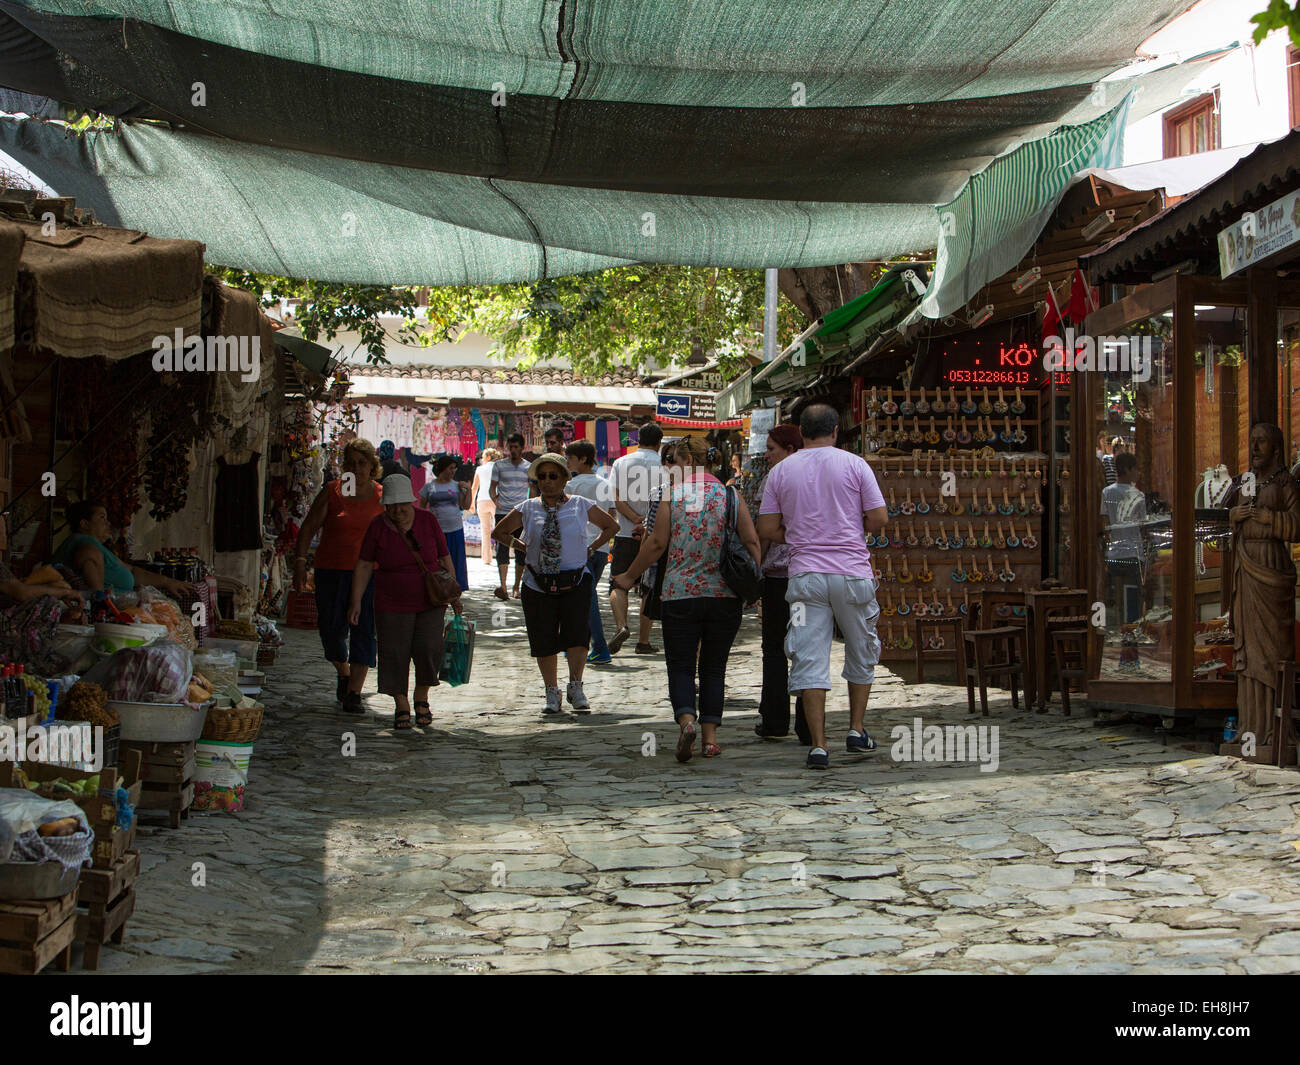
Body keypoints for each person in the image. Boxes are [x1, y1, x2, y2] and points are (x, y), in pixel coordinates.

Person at [614, 435, 761, 762]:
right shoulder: (730, 495)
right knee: (714, 667)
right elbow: (751, 541)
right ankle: (710, 740)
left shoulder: (672, 495)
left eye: (675, 463)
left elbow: (656, 544)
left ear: (688, 463)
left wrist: (628, 576)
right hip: (724, 595)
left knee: (681, 665)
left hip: (679, 594)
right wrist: (754, 590)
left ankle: (686, 721)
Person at [757, 403, 887, 770]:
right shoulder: (856, 464)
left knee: (809, 655)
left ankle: (818, 744)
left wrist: (799, 536)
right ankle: (856, 729)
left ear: (801, 431)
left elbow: (767, 530)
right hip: (852, 574)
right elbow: (878, 518)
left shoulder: (781, 471)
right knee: (861, 648)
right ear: (835, 431)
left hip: (805, 578)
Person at [491, 453, 619, 715]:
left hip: (575, 580)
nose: (547, 482)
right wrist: (522, 546)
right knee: (543, 638)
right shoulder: (527, 508)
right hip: (538, 583)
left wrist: (591, 548)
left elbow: (611, 526)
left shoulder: (580, 505)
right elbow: (499, 533)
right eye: (542, 477)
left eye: (553, 476)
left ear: (564, 478)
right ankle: (551, 690)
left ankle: (575, 685)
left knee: (577, 636)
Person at [350, 474, 462, 730]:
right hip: (390, 600)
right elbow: (365, 564)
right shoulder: (378, 526)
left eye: (401, 505)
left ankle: (421, 695)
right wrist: (356, 601)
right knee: (394, 652)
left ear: (410, 502)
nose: (397, 511)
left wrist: (454, 594)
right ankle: (401, 703)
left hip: (430, 598)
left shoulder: (427, 520)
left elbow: (445, 558)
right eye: (391, 506)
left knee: (429, 648)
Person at [293, 439, 384, 712]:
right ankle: (343, 672)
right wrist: (299, 563)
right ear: (344, 466)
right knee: (331, 631)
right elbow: (309, 527)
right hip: (331, 571)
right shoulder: (334, 491)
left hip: (370, 575)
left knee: (364, 630)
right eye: (351, 463)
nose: (356, 469)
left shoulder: (381, 495)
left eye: (362, 463)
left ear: (372, 467)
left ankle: (354, 693)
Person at [1230, 422, 1300, 750]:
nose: (1255, 448)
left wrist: (1270, 519)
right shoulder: (1246, 481)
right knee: (1248, 650)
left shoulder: (1286, 482)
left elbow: (1298, 526)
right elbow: (1228, 514)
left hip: (1271, 569)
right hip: (1247, 565)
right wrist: (1236, 515)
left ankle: (1275, 732)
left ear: (1276, 448)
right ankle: (1250, 729)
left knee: (1273, 651)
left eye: (1262, 443)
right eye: (1252, 442)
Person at [755, 424, 809, 743]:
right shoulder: (817, 479)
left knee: (774, 648)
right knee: (806, 647)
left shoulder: (774, 479)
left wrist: (757, 568)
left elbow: (765, 530)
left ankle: (775, 720)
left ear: (789, 449)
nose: (767, 454)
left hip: (778, 579)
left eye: (772, 448)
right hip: (811, 574)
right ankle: (807, 724)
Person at [53, 500, 192, 598]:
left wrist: (167, 582)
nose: (107, 523)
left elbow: (132, 570)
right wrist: (100, 599)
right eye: (102, 517)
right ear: (84, 524)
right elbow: (88, 558)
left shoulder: (96, 545)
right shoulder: (84, 544)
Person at [608, 421, 666, 655]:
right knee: (648, 588)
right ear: (660, 443)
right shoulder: (665, 465)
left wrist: (634, 519)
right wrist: (646, 522)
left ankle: (622, 626)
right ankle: (643, 641)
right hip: (654, 536)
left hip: (625, 533)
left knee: (618, 582)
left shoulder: (621, 463)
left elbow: (617, 500)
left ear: (636, 439)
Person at [565, 440, 617, 665]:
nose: (567, 462)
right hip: (601, 547)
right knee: (584, 599)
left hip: (580, 549)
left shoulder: (572, 485)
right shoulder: (605, 484)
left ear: (583, 459)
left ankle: (599, 646)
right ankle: (576, 644)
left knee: (586, 600)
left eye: (570, 458)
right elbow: (612, 514)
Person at [1100, 451, 1146, 625]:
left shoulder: (1106, 493)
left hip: (1113, 554)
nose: (1138, 473)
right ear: (1127, 469)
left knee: (1117, 598)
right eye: (1136, 469)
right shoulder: (1138, 495)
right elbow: (1142, 527)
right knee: (1133, 597)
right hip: (1133, 554)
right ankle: (1131, 631)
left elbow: (1104, 523)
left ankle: (1118, 630)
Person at [490, 433, 534, 600]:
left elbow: (533, 488)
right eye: (511, 447)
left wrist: (530, 505)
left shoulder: (529, 467)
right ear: (507, 447)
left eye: (517, 447)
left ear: (522, 448)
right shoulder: (499, 466)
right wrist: (495, 500)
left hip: (521, 513)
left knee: (521, 548)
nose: (513, 450)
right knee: (502, 548)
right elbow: (492, 487)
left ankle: (517, 586)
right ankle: (503, 586)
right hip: (502, 512)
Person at [420, 455, 472, 591]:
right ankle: (437, 586)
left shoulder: (457, 486)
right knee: (437, 560)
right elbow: (421, 508)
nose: (453, 471)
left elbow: (465, 506)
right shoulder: (429, 487)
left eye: (454, 468)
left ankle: (456, 587)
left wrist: (469, 490)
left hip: (455, 529)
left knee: (456, 560)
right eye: (450, 468)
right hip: (436, 530)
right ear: (443, 469)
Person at [471, 447, 503, 566]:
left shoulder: (480, 469)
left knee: (485, 531)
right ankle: (500, 555)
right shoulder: (499, 469)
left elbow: (474, 488)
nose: (481, 459)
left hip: (482, 501)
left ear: (488, 457)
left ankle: (486, 558)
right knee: (499, 529)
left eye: (483, 457)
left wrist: (471, 504)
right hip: (496, 500)